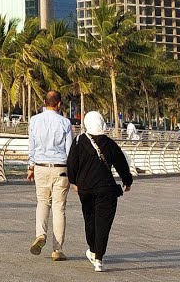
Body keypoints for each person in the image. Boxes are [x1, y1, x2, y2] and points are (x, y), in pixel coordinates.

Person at [68, 111, 133, 272]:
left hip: (85, 189)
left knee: (89, 220)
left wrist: (74, 182)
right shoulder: (109, 143)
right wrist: (127, 181)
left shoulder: (78, 141)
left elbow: (71, 164)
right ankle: (98, 258)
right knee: (103, 223)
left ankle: (92, 249)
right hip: (106, 189)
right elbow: (121, 164)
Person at [26, 90, 73, 262]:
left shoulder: (34, 120)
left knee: (42, 202)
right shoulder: (65, 122)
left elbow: (32, 146)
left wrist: (31, 167)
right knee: (59, 208)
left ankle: (41, 234)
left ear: (44, 103)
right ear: (59, 104)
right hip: (61, 167)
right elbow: (70, 150)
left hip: (41, 166)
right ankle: (57, 250)